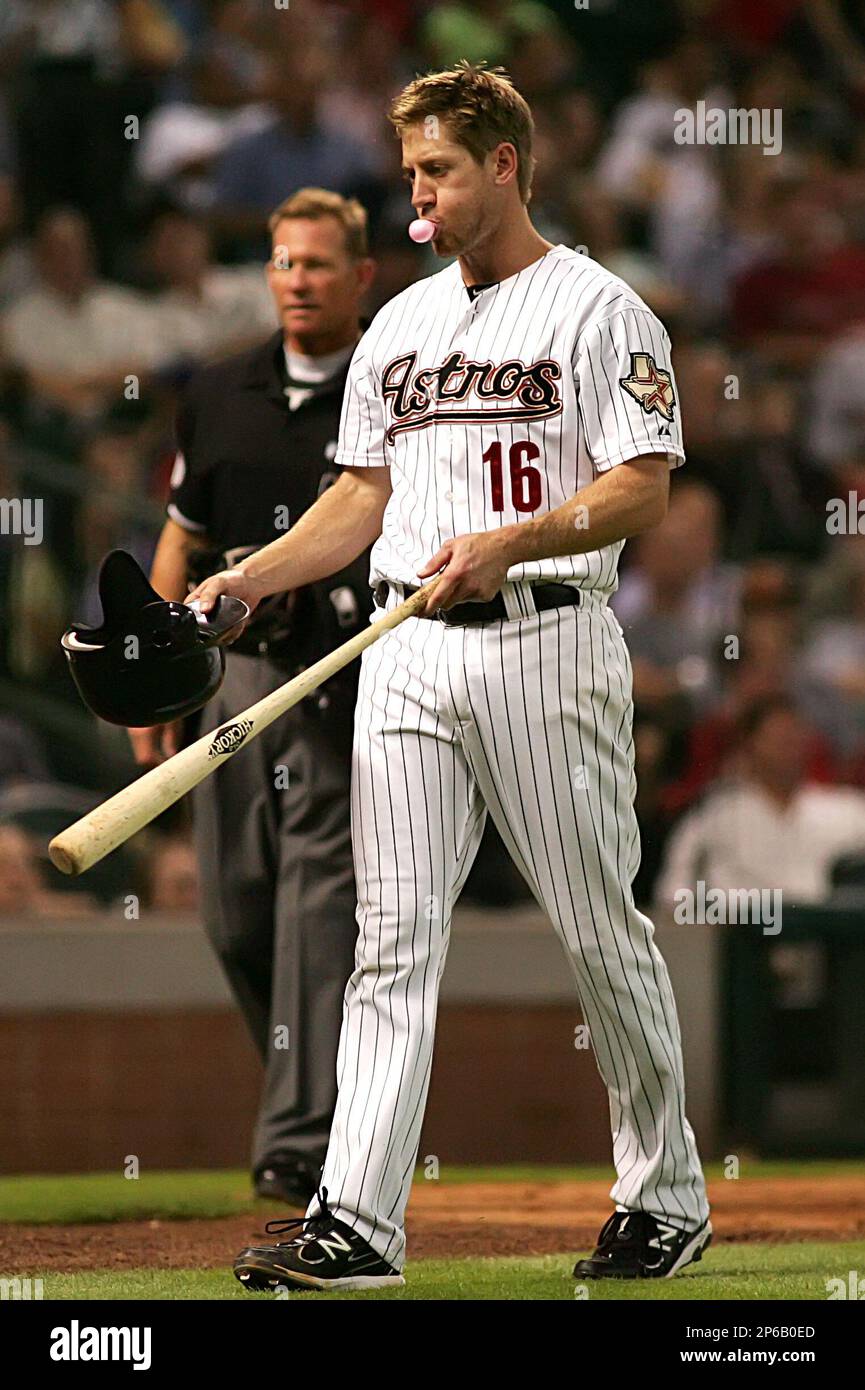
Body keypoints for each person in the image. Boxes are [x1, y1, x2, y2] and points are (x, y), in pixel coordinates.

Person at [191, 61, 711, 1291]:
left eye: (436, 168)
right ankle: (358, 1219)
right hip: (405, 652)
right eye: (410, 165)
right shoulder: (405, 322)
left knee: (597, 931)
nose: (415, 189)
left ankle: (666, 1195)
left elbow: (640, 484)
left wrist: (513, 540)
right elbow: (360, 496)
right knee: (389, 942)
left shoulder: (599, 307)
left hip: (545, 636)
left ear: (505, 165)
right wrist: (245, 578)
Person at [129, 188, 376, 1207]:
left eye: (317, 264)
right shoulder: (220, 389)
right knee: (235, 914)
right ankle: (331, 1092)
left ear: (361, 276)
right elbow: (183, 534)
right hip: (234, 679)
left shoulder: (387, 385)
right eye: (283, 262)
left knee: (321, 912)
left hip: (339, 672)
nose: (298, 281)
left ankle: (298, 1143)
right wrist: (151, 671)